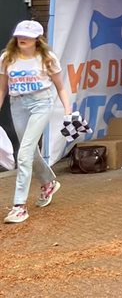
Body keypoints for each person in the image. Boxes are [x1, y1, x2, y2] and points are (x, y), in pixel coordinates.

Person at [1, 20, 72, 225]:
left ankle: (19, 206)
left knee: (23, 154)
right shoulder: (7, 58)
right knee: (30, 152)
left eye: (28, 36)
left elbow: (60, 87)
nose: (22, 39)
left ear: (37, 39)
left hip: (41, 103)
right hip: (17, 105)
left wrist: (68, 111)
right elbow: (2, 89)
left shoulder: (47, 58)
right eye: (20, 35)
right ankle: (49, 182)